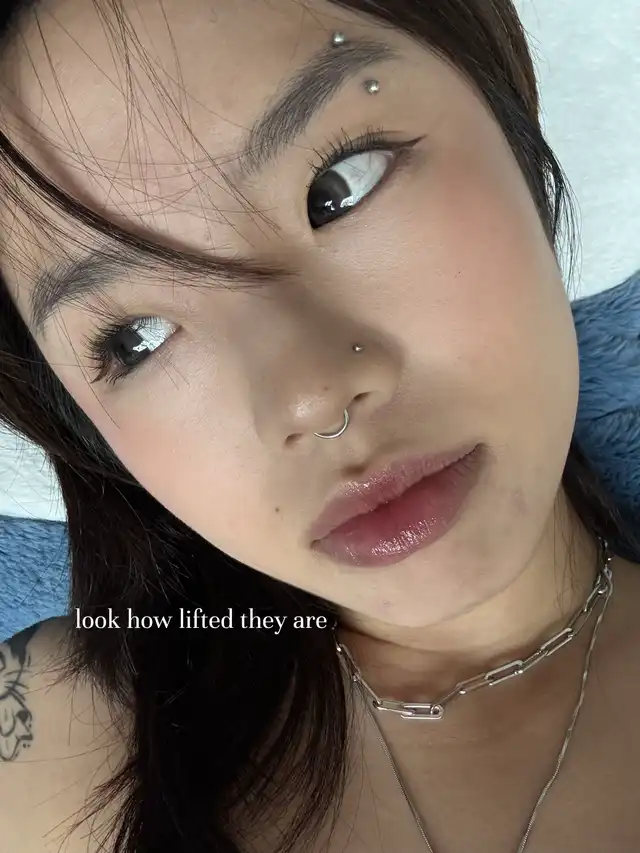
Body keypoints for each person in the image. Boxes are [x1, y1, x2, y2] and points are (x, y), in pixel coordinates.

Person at [0, 0, 639, 850]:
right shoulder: (47, 747)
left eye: (338, 187)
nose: (314, 396)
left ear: (509, 110)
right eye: (136, 338)